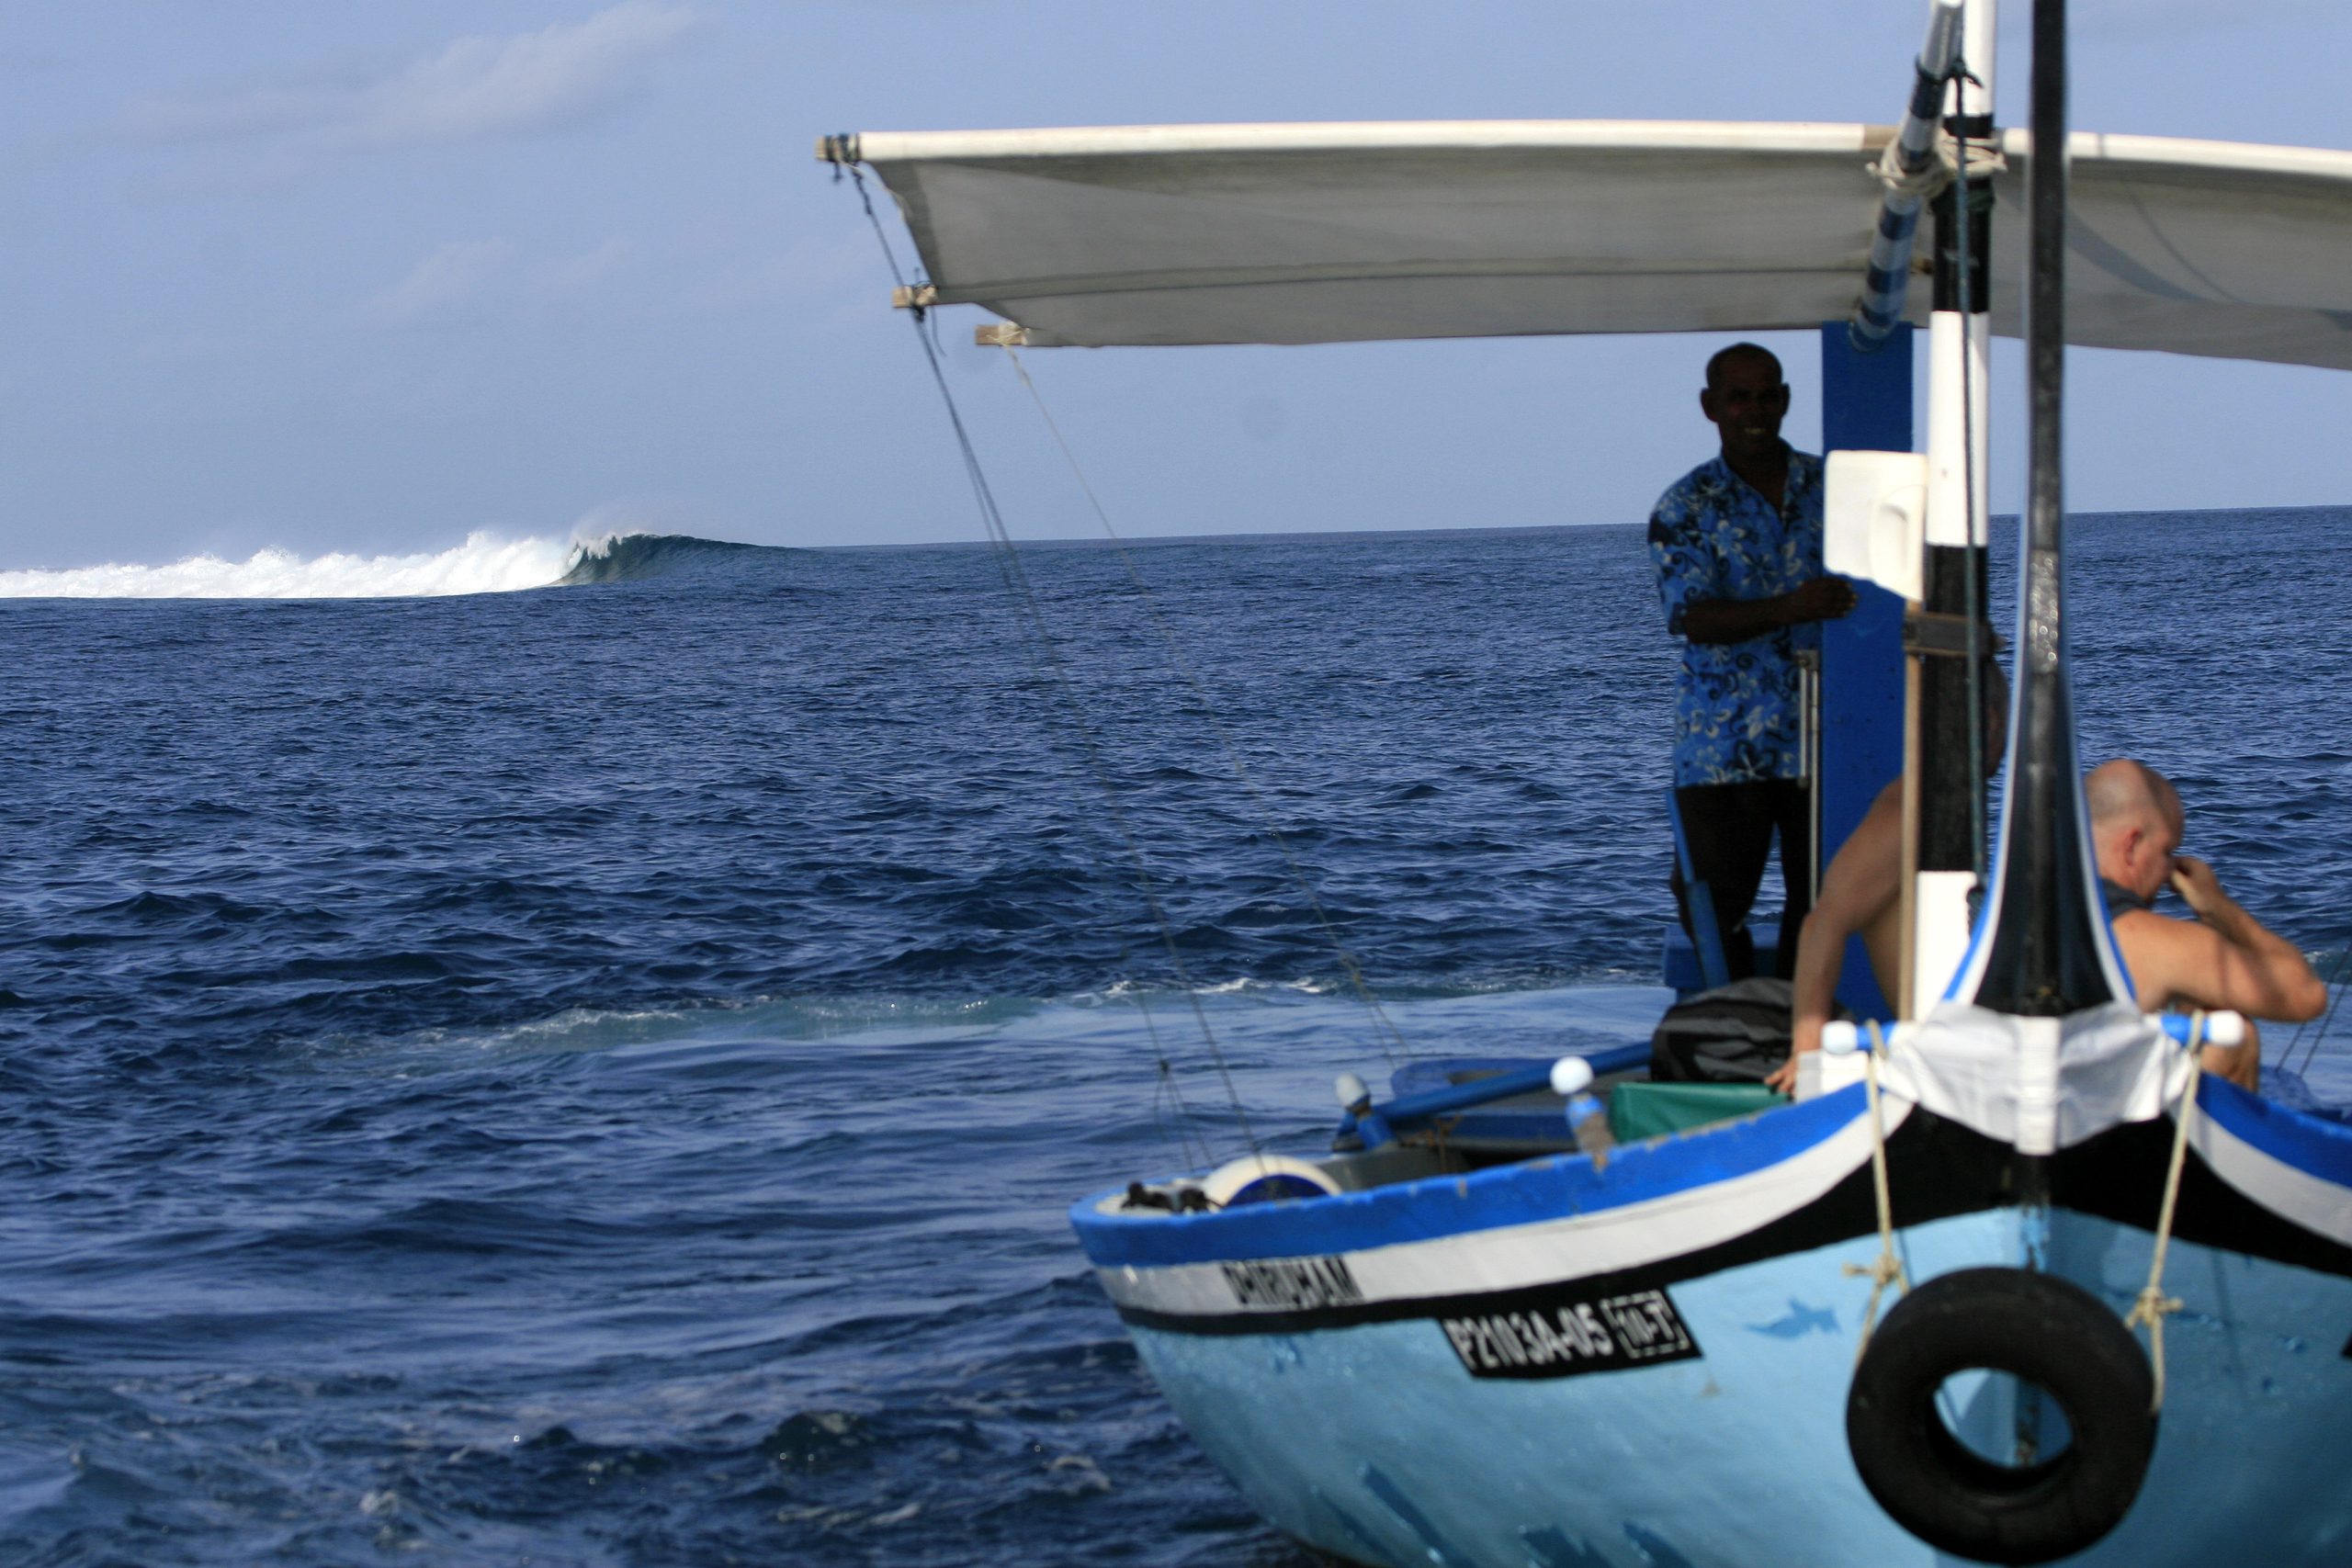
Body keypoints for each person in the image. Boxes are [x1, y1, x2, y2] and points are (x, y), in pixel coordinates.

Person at [1770, 757, 2325, 1092]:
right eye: (2167, 852)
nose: (2168, 871)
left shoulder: (1986, 916)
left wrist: (1809, 1048)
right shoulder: (2154, 944)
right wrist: (2217, 907)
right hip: (2101, 1136)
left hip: (1977, 1096)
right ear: (2133, 845)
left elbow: (1828, 918)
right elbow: (2304, 996)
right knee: (2229, 1027)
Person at [1650, 343, 1858, 980]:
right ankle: (1733, 1013)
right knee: (1712, 899)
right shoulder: (1685, 506)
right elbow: (1693, 617)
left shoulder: (1837, 489)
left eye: (1768, 396)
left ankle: (1805, 1016)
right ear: (1711, 406)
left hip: (1832, 735)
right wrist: (1792, 606)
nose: (1755, 410)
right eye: (1738, 397)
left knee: (1828, 894)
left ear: (1786, 400)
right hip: (1726, 741)